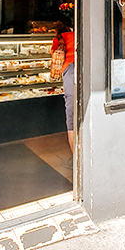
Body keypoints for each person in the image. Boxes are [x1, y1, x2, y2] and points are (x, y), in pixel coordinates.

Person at [51, 16, 75, 153]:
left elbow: (53, 54)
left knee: (70, 111)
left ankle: (73, 149)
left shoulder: (60, 38)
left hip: (69, 69)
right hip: (80, 68)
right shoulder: (76, 34)